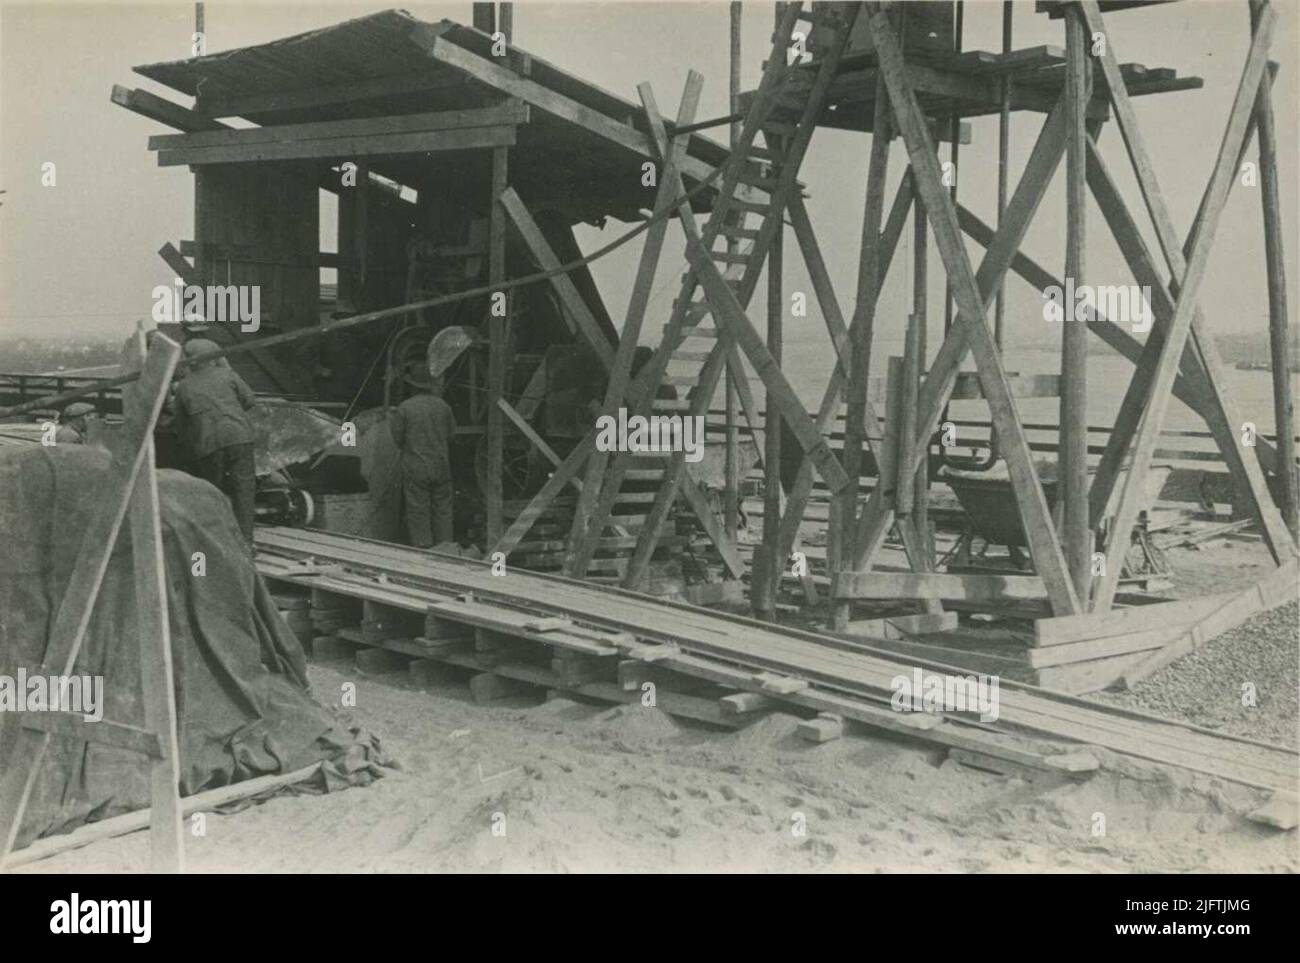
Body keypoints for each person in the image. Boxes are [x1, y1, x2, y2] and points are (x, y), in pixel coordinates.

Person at [173, 338, 258, 542]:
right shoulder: (228, 375)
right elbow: (250, 400)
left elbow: (181, 425)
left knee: (212, 490)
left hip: (208, 443)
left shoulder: (183, 386)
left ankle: (218, 539)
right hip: (240, 436)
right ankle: (246, 541)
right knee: (244, 490)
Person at [390, 366, 456, 548]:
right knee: (443, 508)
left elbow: (398, 439)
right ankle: (445, 547)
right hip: (441, 464)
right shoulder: (444, 406)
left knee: (418, 507)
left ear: (412, 385)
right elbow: (452, 435)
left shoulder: (405, 408)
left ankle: (423, 546)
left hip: (416, 465)